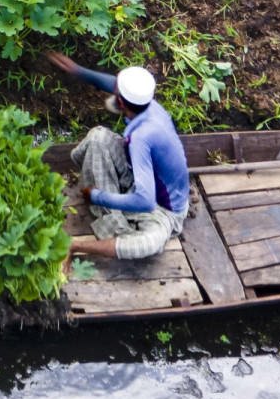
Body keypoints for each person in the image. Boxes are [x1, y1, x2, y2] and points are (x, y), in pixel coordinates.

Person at [43, 50, 188, 260]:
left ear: (120, 103)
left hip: (163, 210)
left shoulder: (142, 138)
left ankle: (77, 245)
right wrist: (77, 70)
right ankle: (117, 219)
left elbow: (146, 202)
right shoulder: (150, 107)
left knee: (148, 243)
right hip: (139, 176)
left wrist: (97, 196)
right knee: (98, 137)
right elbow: (113, 83)